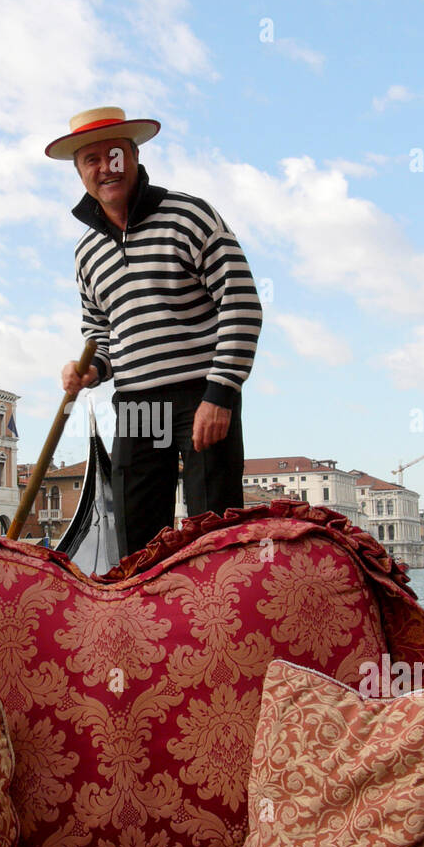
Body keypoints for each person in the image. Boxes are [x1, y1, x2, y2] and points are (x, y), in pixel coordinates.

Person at [47, 106, 262, 558]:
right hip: (139, 403)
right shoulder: (86, 252)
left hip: (199, 395)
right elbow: (102, 334)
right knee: (138, 539)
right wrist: (92, 370)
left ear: (135, 155)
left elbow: (241, 303)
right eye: (92, 159)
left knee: (214, 532)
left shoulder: (190, 215)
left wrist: (220, 394)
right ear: (79, 172)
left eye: (115, 155)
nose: (106, 167)